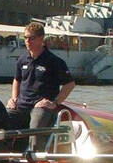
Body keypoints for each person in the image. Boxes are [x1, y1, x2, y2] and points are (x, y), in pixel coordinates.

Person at [6, 21, 75, 150]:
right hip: (21, 105)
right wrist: (14, 98)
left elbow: (70, 84)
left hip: (40, 106)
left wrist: (55, 102)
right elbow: (17, 80)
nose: (27, 41)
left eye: (31, 38)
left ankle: (36, 160)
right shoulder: (22, 60)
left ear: (41, 39)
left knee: (35, 130)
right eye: (25, 38)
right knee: (1, 121)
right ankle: (2, 158)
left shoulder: (54, 61)